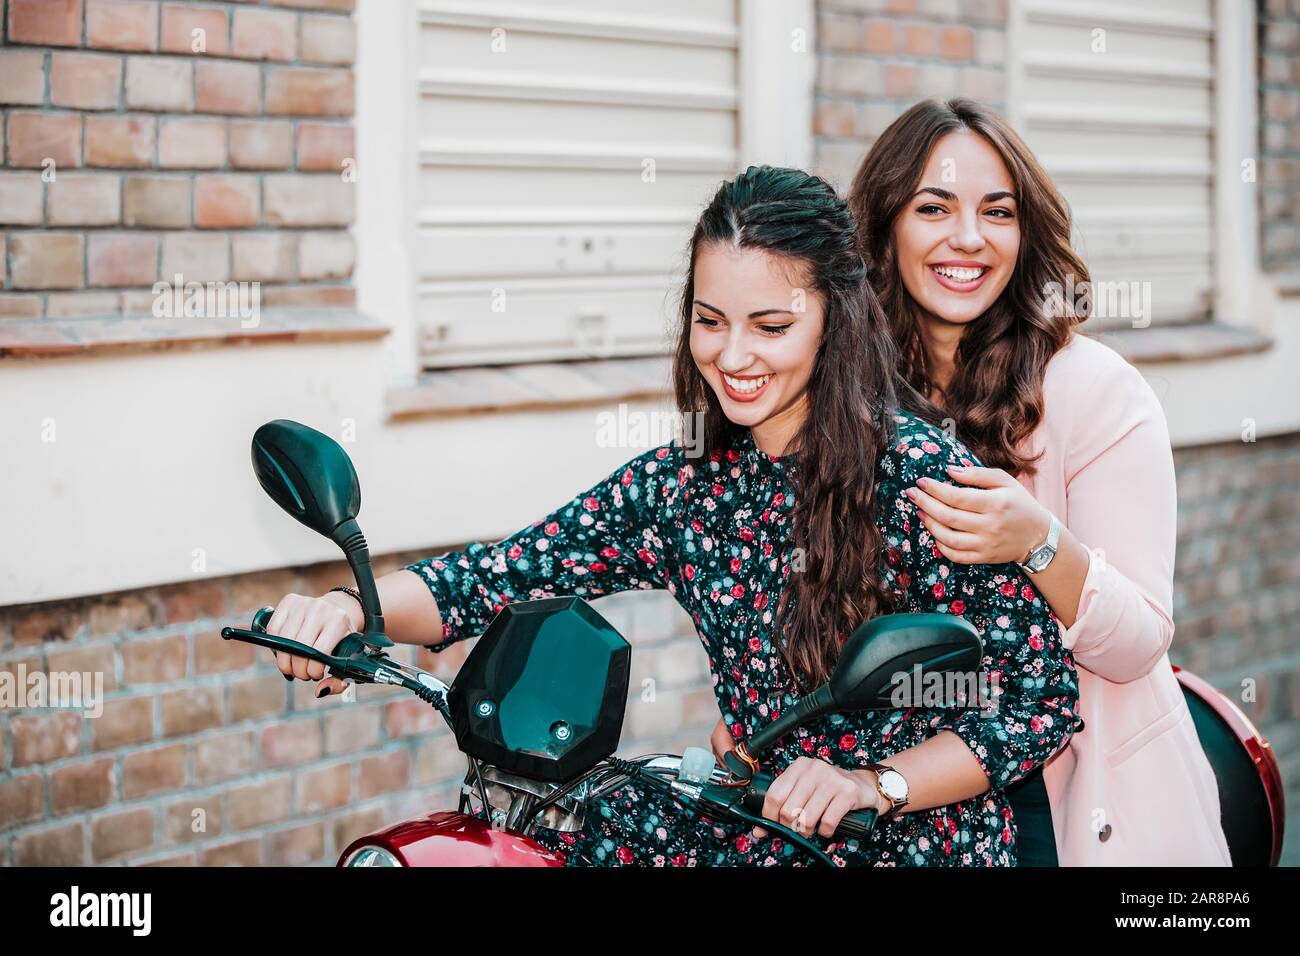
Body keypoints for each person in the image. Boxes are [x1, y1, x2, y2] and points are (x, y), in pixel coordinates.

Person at [266, 165, 1081, 865]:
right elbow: (497, 574)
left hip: (907, 839)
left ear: (836, 318)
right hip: (758, 823)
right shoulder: (689, 484)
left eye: (770, 326)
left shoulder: (922, 477)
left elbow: (1034, 702)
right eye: (709, 320)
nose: (732, 356)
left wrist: (875, 782)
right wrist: (349, 613)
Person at [841, 97, 1230, 866]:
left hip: (1065, 803)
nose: (968, 238)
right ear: (886, 225)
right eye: (933, 207)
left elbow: (1138, 642)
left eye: (998, 211)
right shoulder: (851, 401)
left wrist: (1038, 542)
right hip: (894, 797)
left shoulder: (1095, 392)